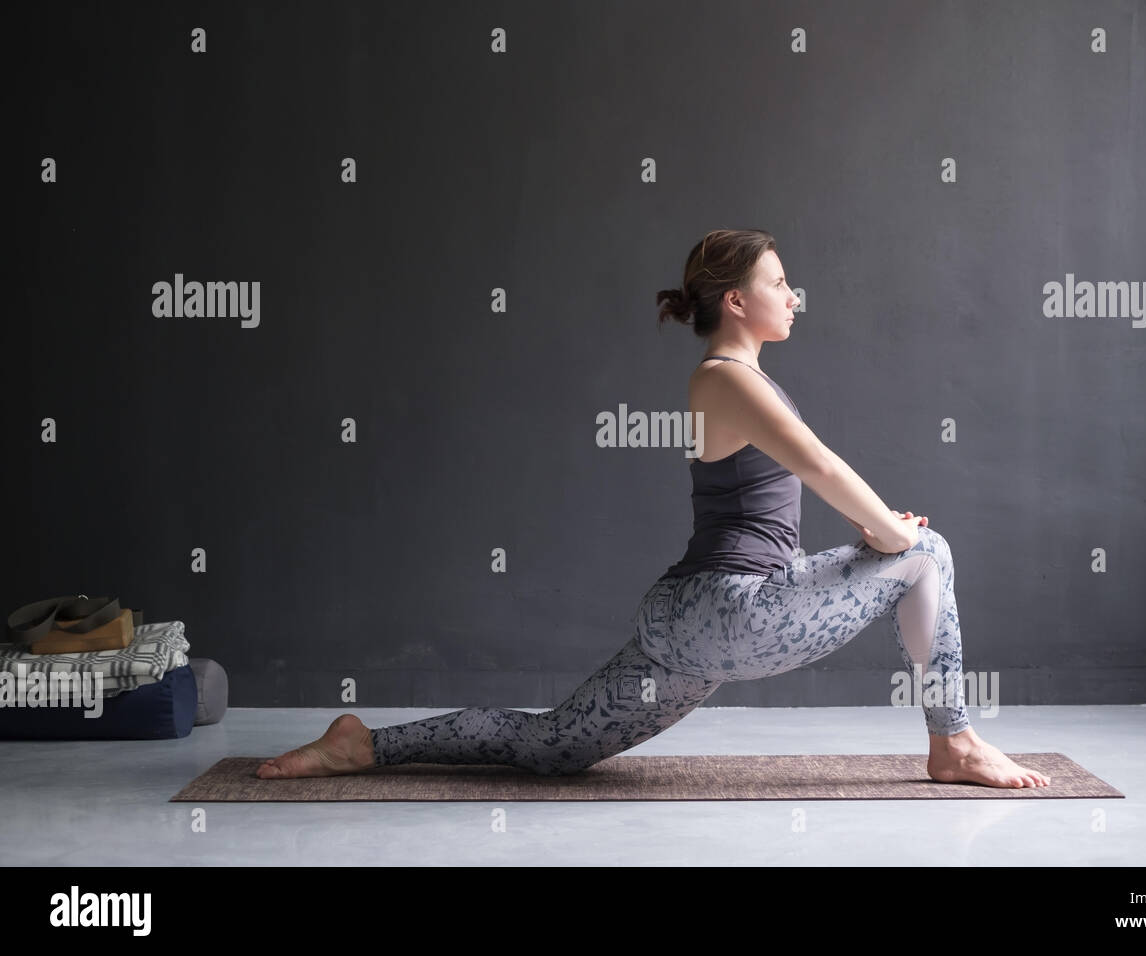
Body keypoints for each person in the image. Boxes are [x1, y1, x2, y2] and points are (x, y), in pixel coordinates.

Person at [258, 228, 1049, 788]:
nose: (792, 293)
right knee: (929, 550)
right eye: (779, 282)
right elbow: (819, 465)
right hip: (734, 611)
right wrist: (889, 533)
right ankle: (956, 743)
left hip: (689, 623)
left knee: (551, 747)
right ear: (736, 300)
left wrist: (878, 535)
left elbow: (788, 482)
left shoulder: (739, 380)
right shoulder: (723, 376)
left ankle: (363, 746)